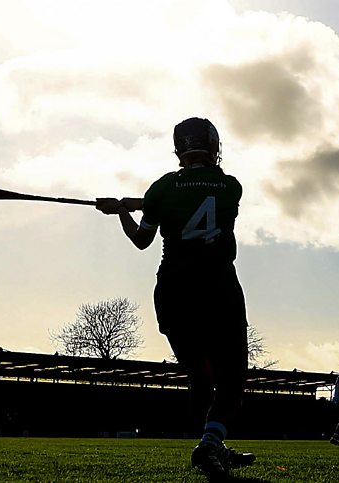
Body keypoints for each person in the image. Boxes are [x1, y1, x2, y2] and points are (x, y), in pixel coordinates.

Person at [96, 117, 253, 481]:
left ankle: (213, 443)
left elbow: (141, 239)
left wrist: (123, 210)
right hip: (218, 290)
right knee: (230, 380)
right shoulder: (230, 186)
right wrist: (138, 202)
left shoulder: (161, 189)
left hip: (174, 291)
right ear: (214, 147)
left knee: (201, 376)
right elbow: (194, 199)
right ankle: (210, 444)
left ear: (178, 149)